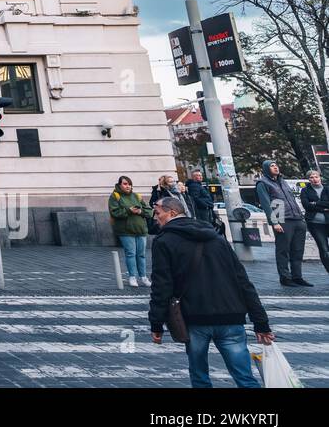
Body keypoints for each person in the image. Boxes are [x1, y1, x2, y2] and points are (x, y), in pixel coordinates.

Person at [149, 195, 274, 388]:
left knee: (200, 377)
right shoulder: (216, 236)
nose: (154, 217)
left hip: (194, 317)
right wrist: (261, 322)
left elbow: (162, 286)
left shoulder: (164, 241)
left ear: (171, 212)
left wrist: (156, 323)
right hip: (231, 314)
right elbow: (243, 281)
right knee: (244, 377)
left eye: (157, 212)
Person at [256, 160, 312, 287]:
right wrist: (274, 222)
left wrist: (301, 218)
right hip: (282, 219)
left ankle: (297, 277)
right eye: (272, 166)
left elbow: (291, 199)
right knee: (283, 251)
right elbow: (266, 204)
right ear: (266, 169)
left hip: (297, 218)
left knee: (298, 250)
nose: (275, 167)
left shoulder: (283, 181)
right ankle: (285, 278)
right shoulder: (262, 183)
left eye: (276, 165)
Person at [108, 176, 151, 286]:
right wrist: (129, 210)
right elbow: (115, 212)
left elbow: (149, 211)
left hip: (140, 229)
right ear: (120, 184)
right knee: (131, 253)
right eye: (125, 184)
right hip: (125, 230)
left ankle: (143, 277)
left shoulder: (136, 195)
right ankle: (132, 277)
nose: (128, 186)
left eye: (129, 184)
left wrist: (140, 211)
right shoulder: (115, 196)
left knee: (141, 254)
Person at [300, 167, 329, 275]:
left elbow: (312, 205)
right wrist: (324, 208)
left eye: (316, 176)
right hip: (315, 224)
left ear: (320, 178)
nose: (314, 179)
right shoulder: (305, 190)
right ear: (309, 180)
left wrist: (315, 203)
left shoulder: (327, 189)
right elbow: (306, 205)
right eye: (311, 177)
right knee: (324, 249)